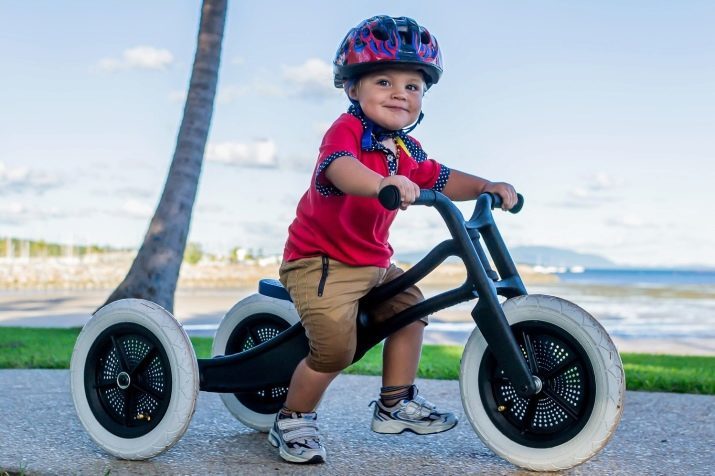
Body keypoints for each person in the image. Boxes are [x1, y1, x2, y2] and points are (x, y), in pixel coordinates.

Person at [268, 15, 518, 464]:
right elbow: (340, 168)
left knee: (411, 308)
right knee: (334, 350)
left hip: (373, 262)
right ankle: (292, 417)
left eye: (412, 86)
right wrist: (381, 184)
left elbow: (441, 178)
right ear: (352, 89)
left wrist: (485, 186)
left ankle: (394, 403)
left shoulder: (404, 149)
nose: (400, 93)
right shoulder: (346, 131)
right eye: (383, 81)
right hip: (320, 262)